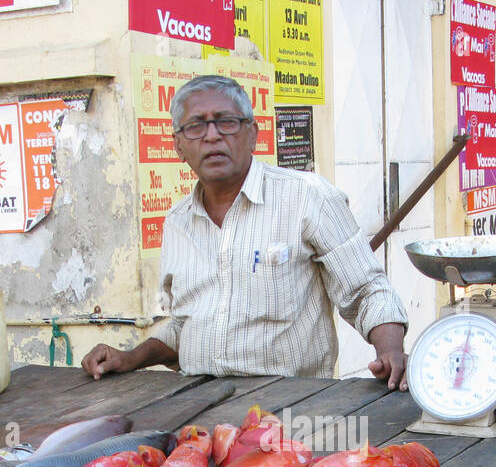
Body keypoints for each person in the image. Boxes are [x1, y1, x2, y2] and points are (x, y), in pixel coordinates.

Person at [81, 74, 408, 388]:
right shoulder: (178, 222)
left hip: (292, 406)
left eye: (226, 122)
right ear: (179, 146)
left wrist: (389, 350)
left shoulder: (307, 198)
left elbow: (366, 290)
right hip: (199, 403)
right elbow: (185, 327)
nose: (211, 136)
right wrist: (130, 357)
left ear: (253, 134)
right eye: (196, 126)